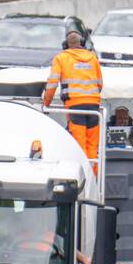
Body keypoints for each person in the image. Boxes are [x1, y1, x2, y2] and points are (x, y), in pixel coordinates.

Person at [43, 29, 103, 168]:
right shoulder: (92, 58)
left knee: (79, 145)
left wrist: (46, 103)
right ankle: (93, 179)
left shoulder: (61, 58)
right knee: (92, 146)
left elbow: (52, 84)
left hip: (75, 107)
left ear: (66, 44)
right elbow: (100, 84)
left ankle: (83, 178)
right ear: (81, 43)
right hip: (94, 106)